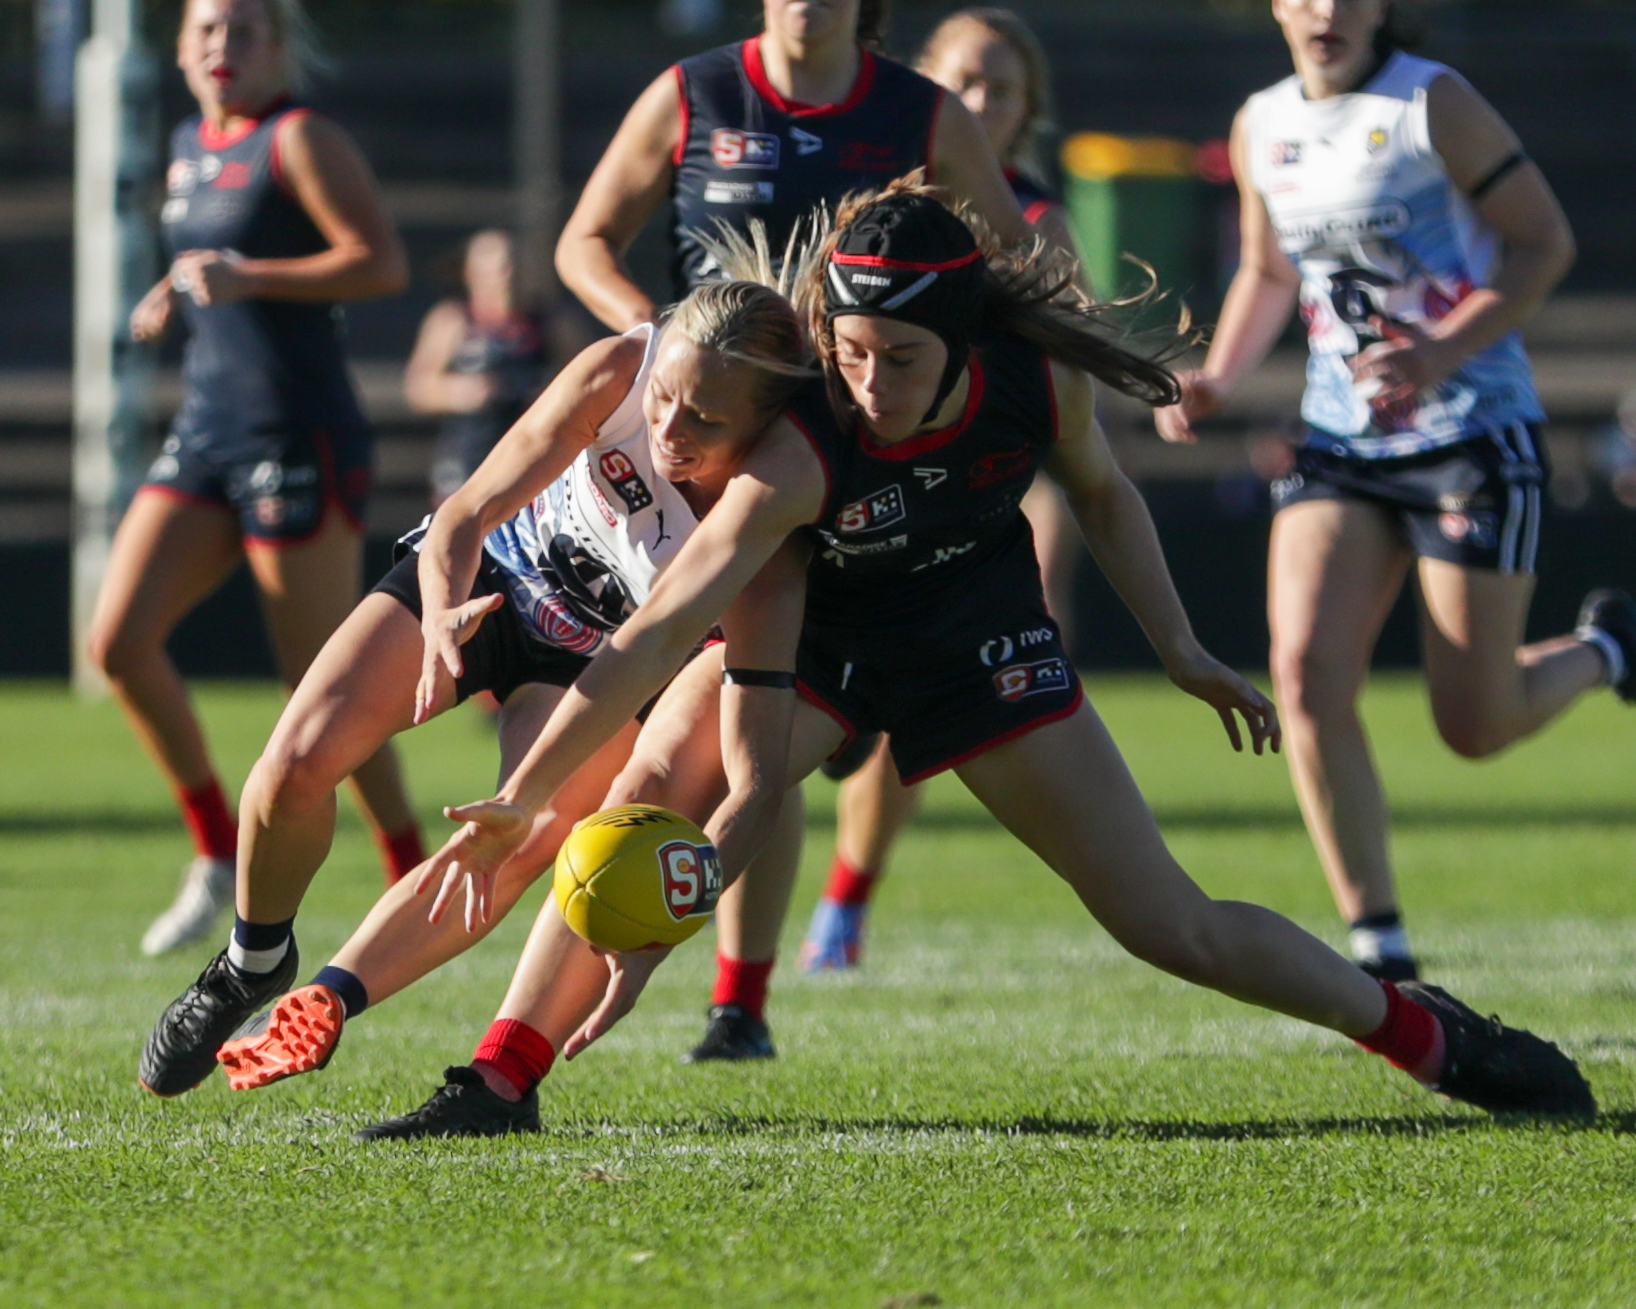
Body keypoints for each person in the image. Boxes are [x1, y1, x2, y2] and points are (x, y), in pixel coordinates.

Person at [348, 184, 1592, 1139]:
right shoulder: (796, 455)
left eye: (899, 358)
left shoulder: (1033, 387)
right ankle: (502, 1076)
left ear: (961, 344)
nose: (867, 382)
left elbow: (1102, 499)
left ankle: (1426, 1034)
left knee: (1172, 926)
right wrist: (531, 796)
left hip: (972, 643)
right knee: (645, 801)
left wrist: (1180, 648)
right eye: (848, 352)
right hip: (819, 642)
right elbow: (665, 630)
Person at [137, 278, 815, 1098]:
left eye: (706, 420)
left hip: (605, 662)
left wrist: (525, 795)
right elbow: (465, 513)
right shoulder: (620, 367)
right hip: (492, 580)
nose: (669, 430)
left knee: (516, 843)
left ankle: (328, 995)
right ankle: (251, 960)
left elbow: (647, 646)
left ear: (766, 420)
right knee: (293, 764)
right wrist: (438, 615)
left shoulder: (764, 504)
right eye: (667, 398)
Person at [553, 0, 1037, 1057]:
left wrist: (1005, 407)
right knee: (729, 746)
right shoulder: (694, 95)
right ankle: (718, 1006)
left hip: (864, 471)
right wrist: (658, 343)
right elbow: (583, 241)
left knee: (751, 739)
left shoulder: (922, 112)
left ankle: (734, 994)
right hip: (723, 470)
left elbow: (1017, 272)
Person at [1152, 0, 1636, 980]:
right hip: (1340, 439)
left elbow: (1542, 243)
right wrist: (1216, 374)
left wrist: (1441, 348)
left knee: (1475, 725)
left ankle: (1607, 646)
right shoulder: (1261, 122)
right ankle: (1380, 947)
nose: (1325, 9)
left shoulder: (1431, 103)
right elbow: (1265, 270)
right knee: (1304, 672)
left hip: (1470, 433)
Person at [89, 0, 424, 957]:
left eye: (242, 31)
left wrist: (250, 275)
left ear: (279, 47)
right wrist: (179, 287)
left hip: (298, 428)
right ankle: (211, 851)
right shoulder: (190, 140)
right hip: (207, 429)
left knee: (322, 686)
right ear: (182, 49)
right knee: (115, 641)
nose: (219, 49)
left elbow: (381, 263)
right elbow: (213, 262)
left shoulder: (301, 137)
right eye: (204, 32)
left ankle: (414, 874)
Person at [801, 5, 1087, 975]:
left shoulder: (1035, 221)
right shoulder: (872, 211)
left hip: (994, 476)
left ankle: (848, 894)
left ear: (1026, 111)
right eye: (961, 81)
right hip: (860, 472)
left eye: (1000, 87)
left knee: (1000, 614)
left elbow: (1072, 353)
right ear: (925, 86)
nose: (979, 102)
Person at [405, 230, 588, 505]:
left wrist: (549, 394)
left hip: (535, 460)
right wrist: (462, 392)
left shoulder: (552, 323)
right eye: (495, 268)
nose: (506, 275)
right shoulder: (451, 321)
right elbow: (417, 389)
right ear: (470, 273)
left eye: (511, 265)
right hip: (469, 459)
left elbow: (592, 379)